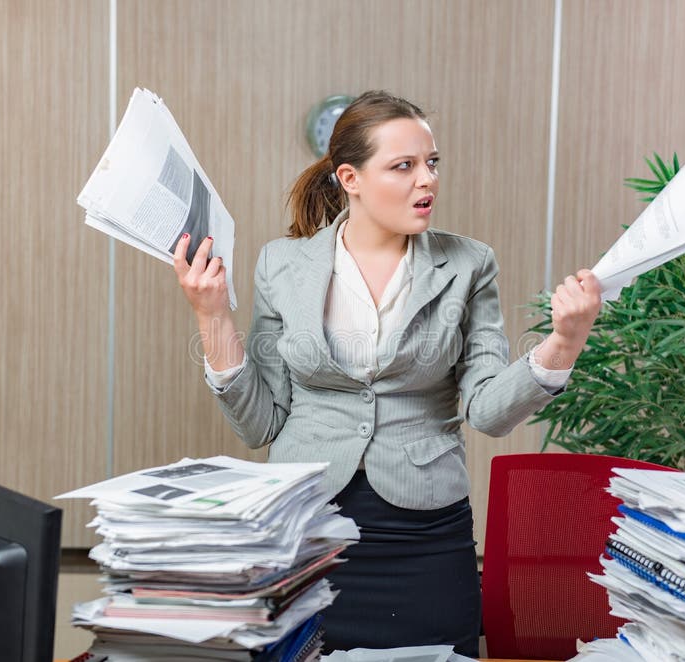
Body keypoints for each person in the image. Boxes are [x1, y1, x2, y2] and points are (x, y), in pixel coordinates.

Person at [174, 90, 602, 655]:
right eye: (403, 166)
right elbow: (260, 423)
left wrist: (564, 342)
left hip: (425, 535)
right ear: (350, 178)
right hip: (305, 528)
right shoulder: (283, 263)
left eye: (432, 162)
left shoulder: (469, 263)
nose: (427, 180)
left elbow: (487, 411)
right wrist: (212, 315)